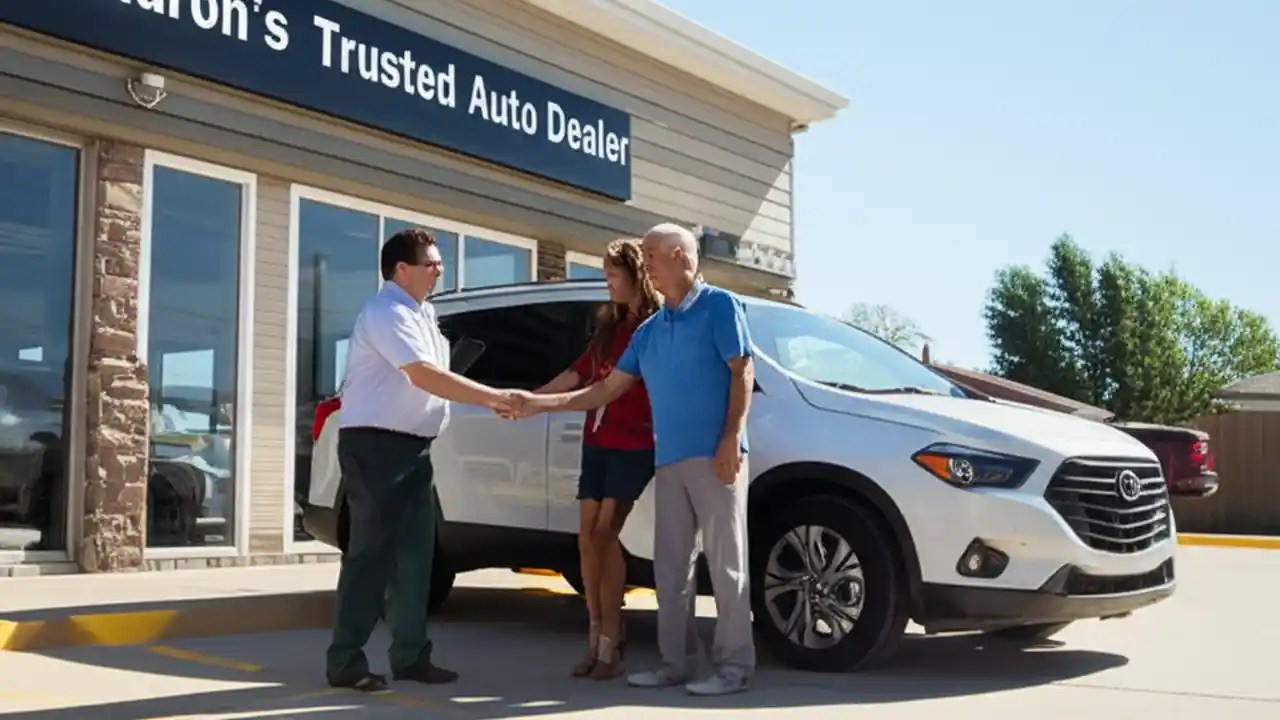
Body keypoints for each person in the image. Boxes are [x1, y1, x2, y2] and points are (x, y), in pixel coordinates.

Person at [499, 222, 756, 697]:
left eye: (653, 256)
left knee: (727, 566)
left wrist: (730, 439)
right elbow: (604, 389)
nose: (648, 267)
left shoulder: (721, 306)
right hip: (669, 461)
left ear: (680, 256)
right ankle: (676, 663)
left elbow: (742, 372)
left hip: (716, 458)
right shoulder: (650, 330)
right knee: (670, 569)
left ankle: (735, 668)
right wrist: (537, 403)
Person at [326, 227, 520, 693]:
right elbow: (424, 376)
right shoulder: (385, 311)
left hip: (414, 449)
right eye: (431, 262)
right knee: (371, 556)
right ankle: (345, 661)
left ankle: (411, 657)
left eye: (439, 262)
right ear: (401, 269)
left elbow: (437, 377)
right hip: (375, 447)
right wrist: (494, 397)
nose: (439, 270)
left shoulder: (424, 313)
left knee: (417, 558)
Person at [533, 239, 661, 681]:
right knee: (587, 538)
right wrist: (530, 400)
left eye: (612, 274)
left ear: (634, 274)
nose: (607, 283)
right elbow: (578, 372)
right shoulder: (607, 327)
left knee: (606, 533)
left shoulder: (653, 325)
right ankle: (596, 638)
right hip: (597, 442)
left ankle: (613, 639)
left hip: (635, 442)